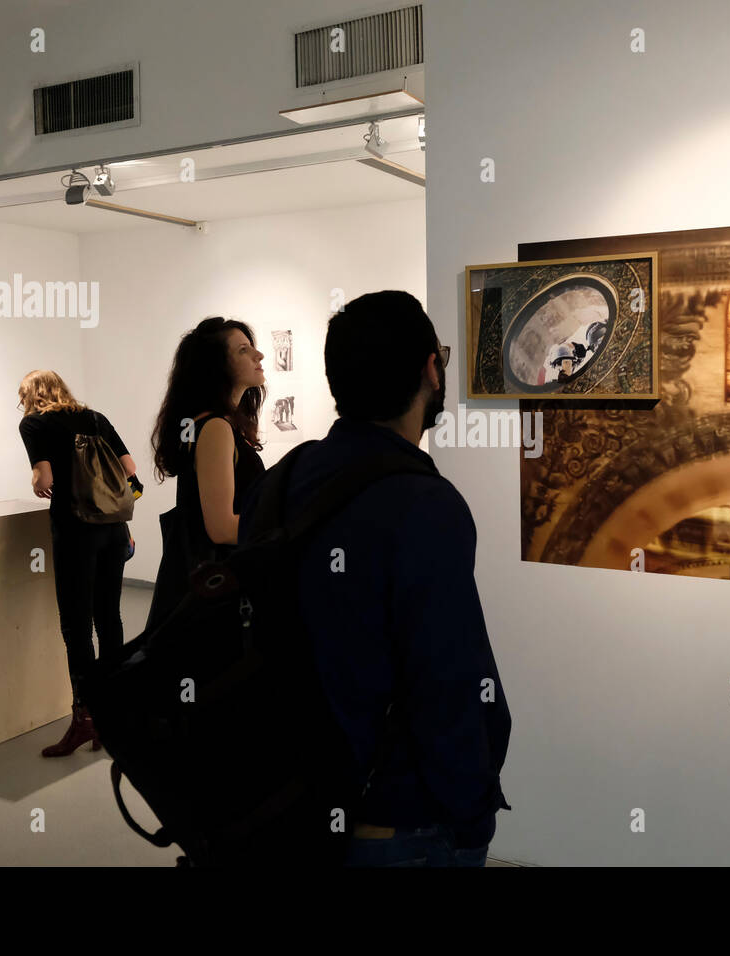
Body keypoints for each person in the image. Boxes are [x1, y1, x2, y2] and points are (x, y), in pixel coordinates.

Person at [283, 290, 511, 866]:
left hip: (293, 802)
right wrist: (472, 814)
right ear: (431, 370)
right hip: (397, 818)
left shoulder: (286, 479)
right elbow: (449, 681)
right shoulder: (424, 505)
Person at [17, 370, 136, 758]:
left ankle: (84, 718)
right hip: (114, 531)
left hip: (75, 533)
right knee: (109, 618)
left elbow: (44, 477)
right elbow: (130, 471)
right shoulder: (95, 418)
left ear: (30, 396)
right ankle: (115, 712)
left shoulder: (34, 423)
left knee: (76, 626)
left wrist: (38, 479)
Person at [147, 316, 267, 628]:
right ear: (217, 367)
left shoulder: (214, 424)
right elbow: (222, 528)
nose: (259, 355)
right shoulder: (215, 427)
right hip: (219, 589)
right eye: (243, 350)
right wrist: (282, 522)